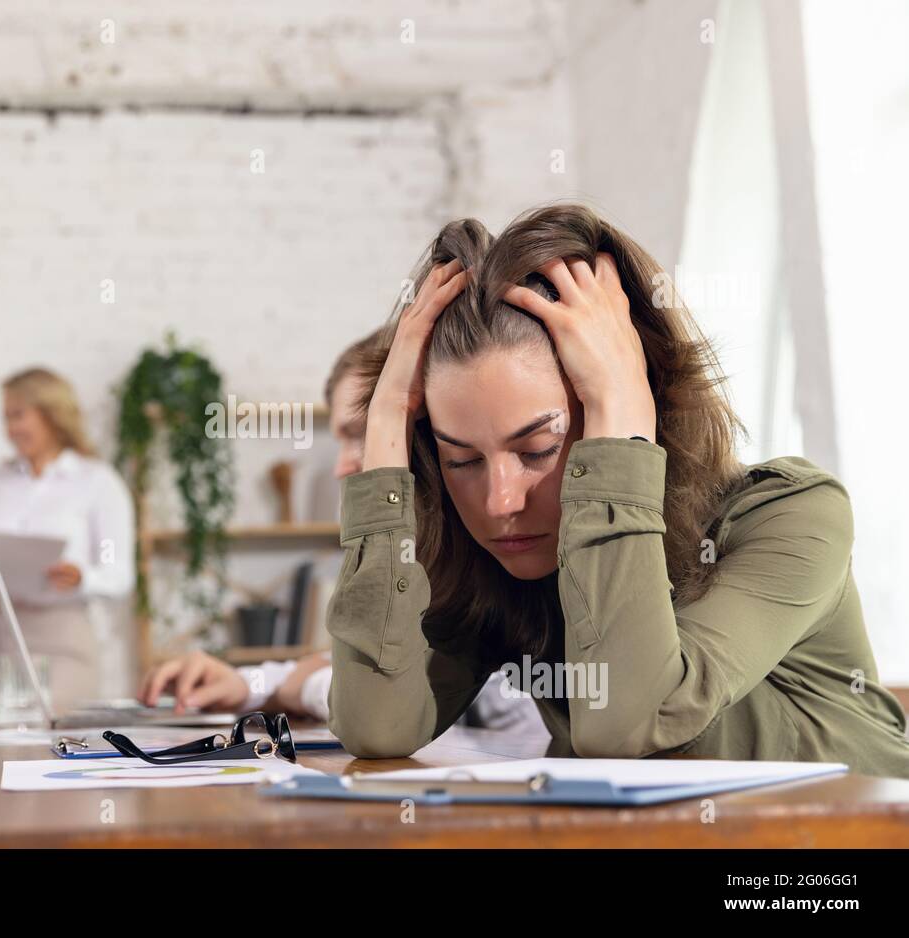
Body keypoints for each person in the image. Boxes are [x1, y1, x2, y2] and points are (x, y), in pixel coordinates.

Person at [326, 204, 909, 778]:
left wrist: (620, 413)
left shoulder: (794, 514)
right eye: (462, 459)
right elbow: (377, 727)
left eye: (537, 451)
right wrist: (384, 426)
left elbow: (628, 723)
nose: (501, 502)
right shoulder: (505, 567)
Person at [137, 329, 545, 737]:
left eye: (365, 432)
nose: (342, 467)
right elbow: (364, 663)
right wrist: (251, 683)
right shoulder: (429, 558)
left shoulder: (505, 556)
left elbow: (398, 698)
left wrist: (305, 686)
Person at [0, 367, 135, 710]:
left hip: (64, 635)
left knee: (53, 740)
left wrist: (81, 577)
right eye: (6, 418)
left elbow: (121, 575)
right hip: (1, 636)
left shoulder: (97, 482)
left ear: (51, 413)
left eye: (19, 415)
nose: (11, 429)